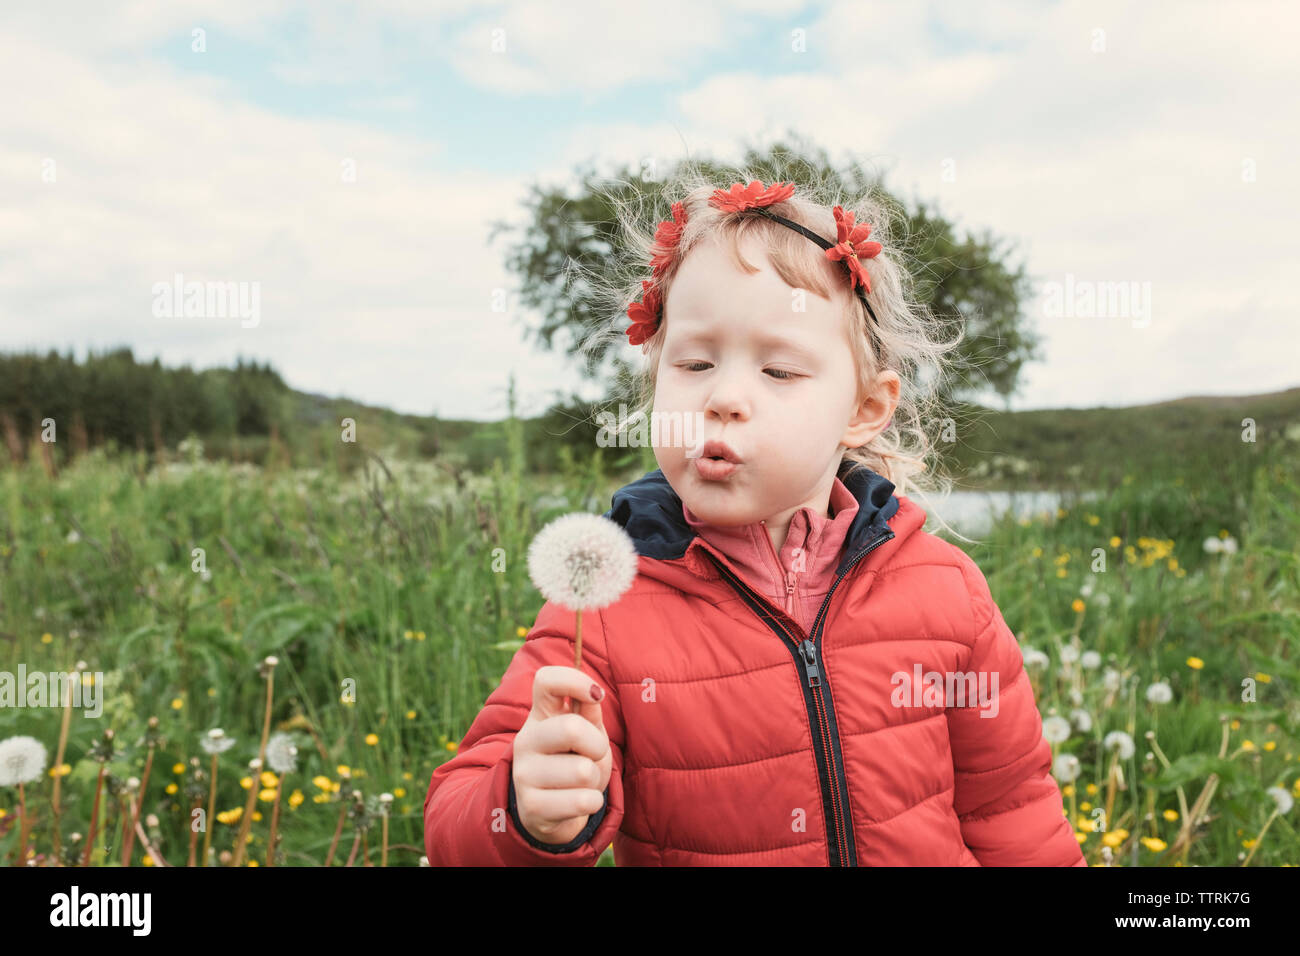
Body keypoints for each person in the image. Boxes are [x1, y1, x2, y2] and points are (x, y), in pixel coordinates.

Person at [423, 170, 1086, 866]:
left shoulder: (947, 592)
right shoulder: (606, 606)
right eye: (696, 362)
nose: (725, 397)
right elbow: (456, 821)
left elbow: (1011, 808)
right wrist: (524, 808)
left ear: (864, 409)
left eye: (779, 372)